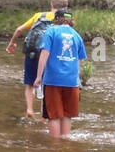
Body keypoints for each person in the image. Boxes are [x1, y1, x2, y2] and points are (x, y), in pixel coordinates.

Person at [6, 0, 69, 120]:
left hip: (32, 53)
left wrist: (12, 43)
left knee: (30, 84)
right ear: (66, 8)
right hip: (49, 56)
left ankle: (29, 109)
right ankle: (43, 114)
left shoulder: (39, 16)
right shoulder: (64, 20)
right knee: (47, 85)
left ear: (51, 4)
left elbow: (19, 29)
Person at [33, 10, 87, 139]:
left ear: (56, 20)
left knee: (54, 115)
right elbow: (79, 61)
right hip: (72, 81)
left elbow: (44, 54)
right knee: (67, 115)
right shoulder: (77, 36)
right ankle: (66, 145)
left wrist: (38, 76)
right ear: (70, 20)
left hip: (53, 80)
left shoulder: (51, 32)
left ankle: (55, 148)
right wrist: (77, 80)